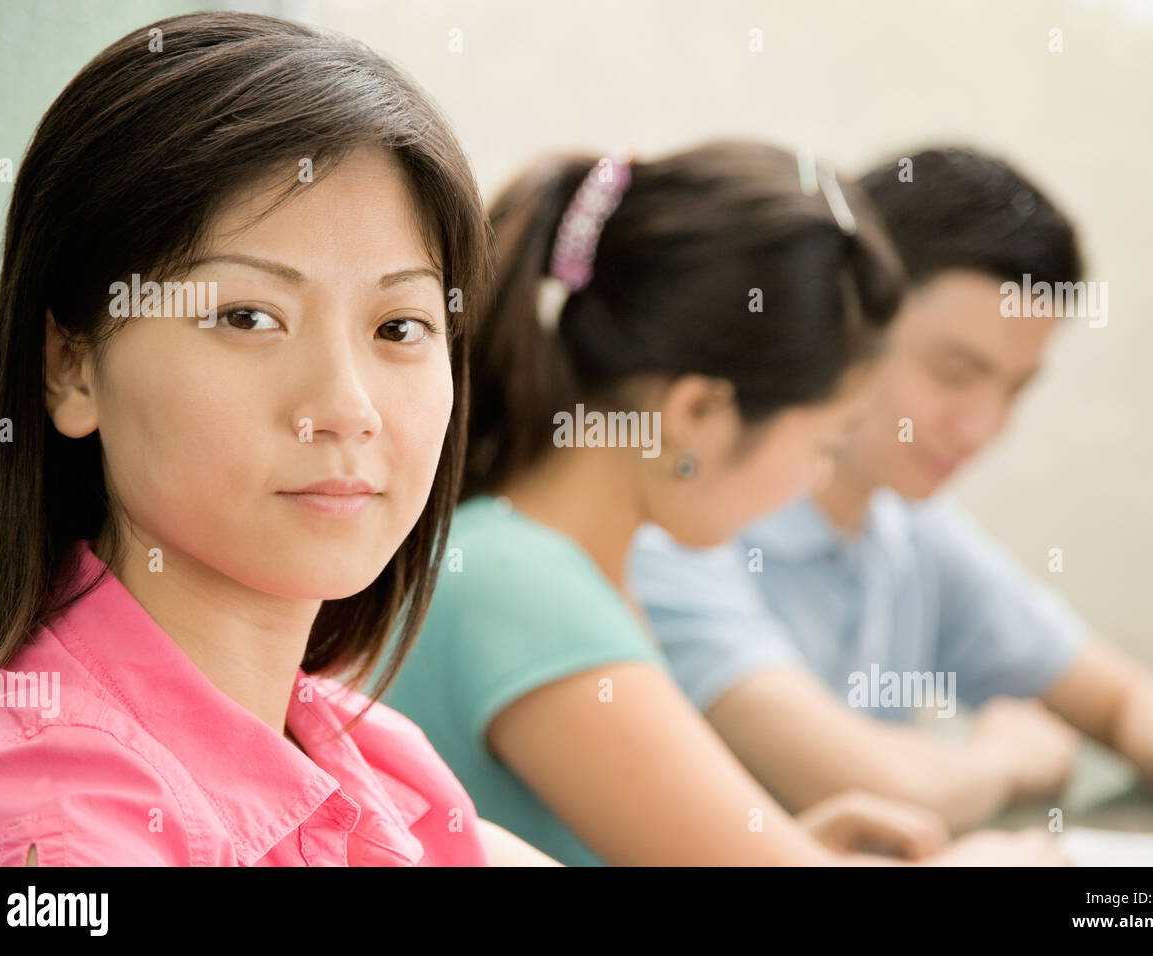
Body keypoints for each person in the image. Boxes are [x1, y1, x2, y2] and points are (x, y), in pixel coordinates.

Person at [0, 11, 552, 866]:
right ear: (73, 367)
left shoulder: (379, 764)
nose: (346, 408)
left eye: (399, 326)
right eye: (247, 316)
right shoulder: (47, 819)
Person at [380, 140, 1067, 866]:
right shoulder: (520, 584)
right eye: (827, 443)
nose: (814, 480)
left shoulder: (542, 564)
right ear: (698, 412)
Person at [629, 147, 1153, 838]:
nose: (982, 429)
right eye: (954, 372)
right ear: (847, 324)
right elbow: (867, 781)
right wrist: (1007, 759)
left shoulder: (908, 530)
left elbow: (1126, 697)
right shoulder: (683, 526)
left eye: (1016, 390)